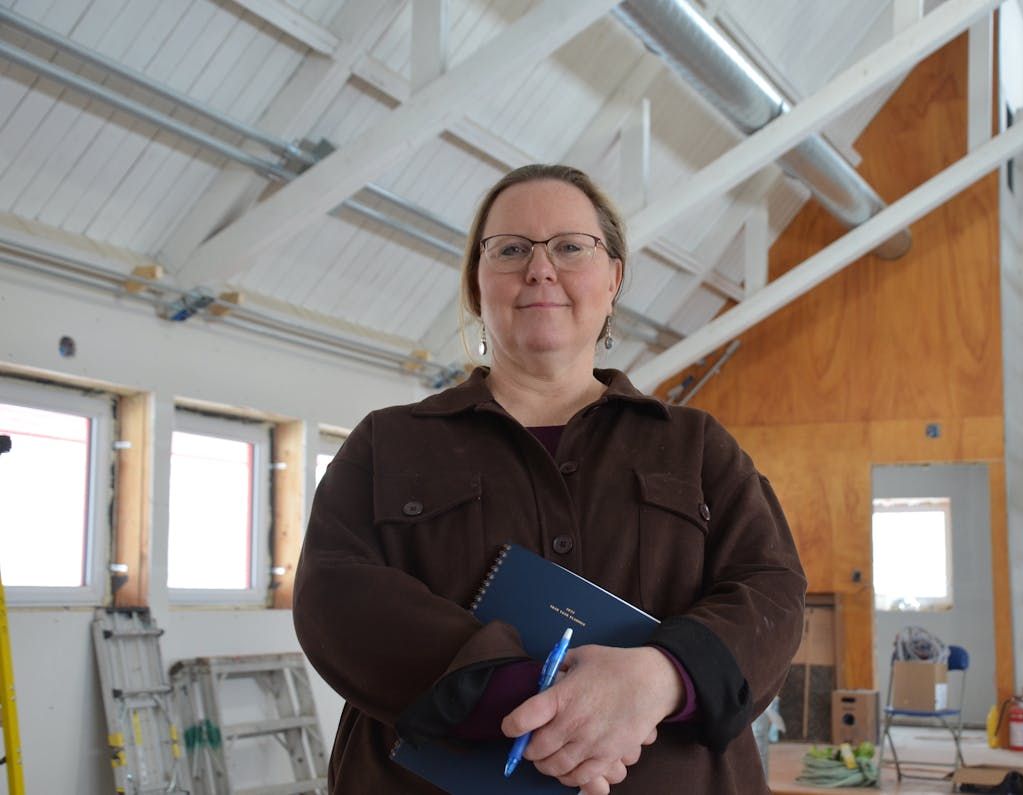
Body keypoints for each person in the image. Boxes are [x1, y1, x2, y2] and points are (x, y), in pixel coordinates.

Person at [293, 164, 806, 794]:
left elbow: (772, 592)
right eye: (510, 250)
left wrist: (660, 678)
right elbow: (335, 596)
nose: (540, 269)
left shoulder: (699, 448)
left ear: (613, 277)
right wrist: (509, 692)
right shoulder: (387, 443)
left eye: (570, 247)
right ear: (477, 285)